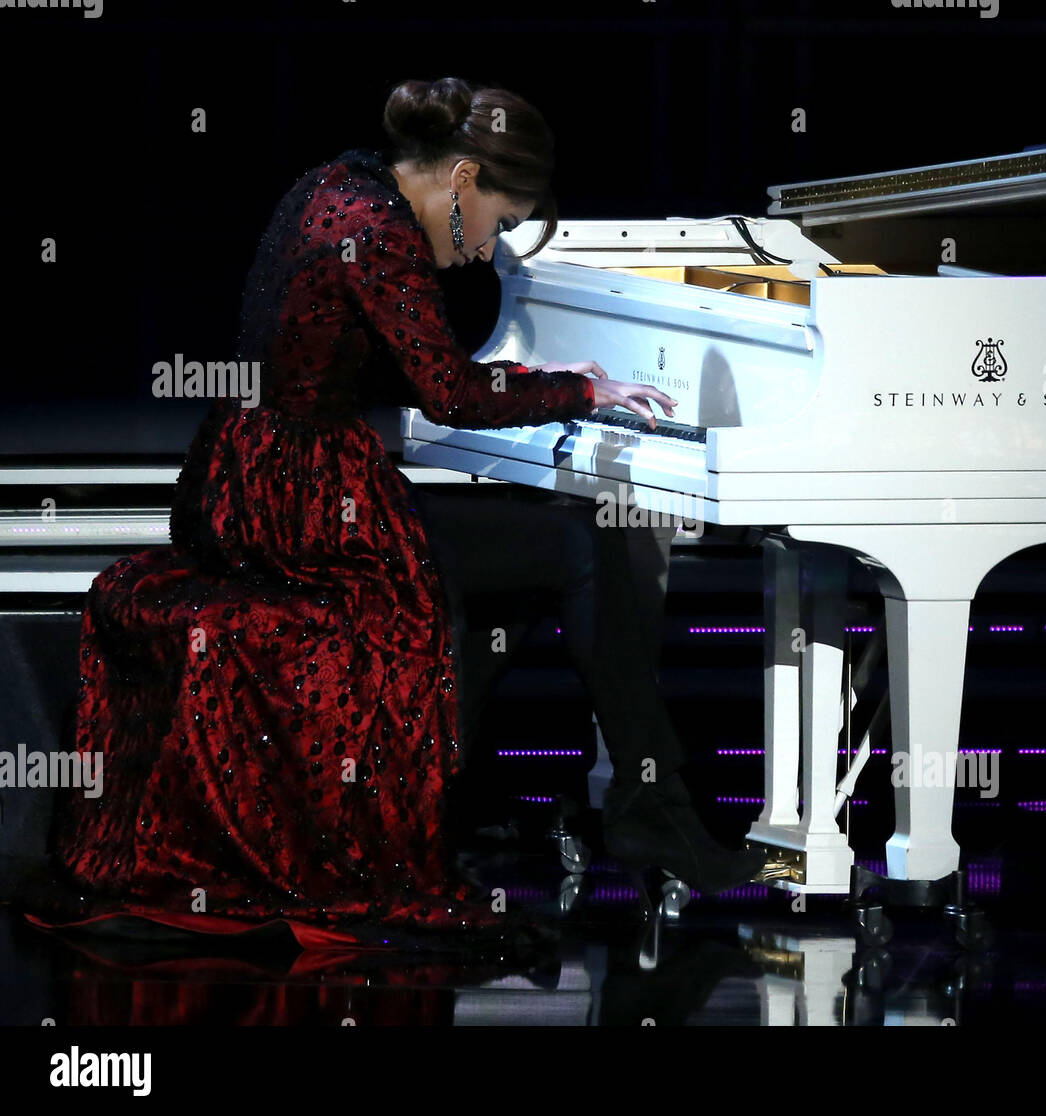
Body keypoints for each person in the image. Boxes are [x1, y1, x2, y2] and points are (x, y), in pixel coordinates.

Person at [39, 76, 761, 948]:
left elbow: (350, 352)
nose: (485, 248)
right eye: (496, 222)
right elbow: (450, 391)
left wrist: (542, 393)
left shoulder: (331, 186)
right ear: (461, 179)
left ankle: (441, 798)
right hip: (306, 505)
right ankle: (646, 810)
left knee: (532, 558)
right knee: (580, 546)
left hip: (244, 479)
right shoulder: (378, 233)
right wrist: (586, 387)